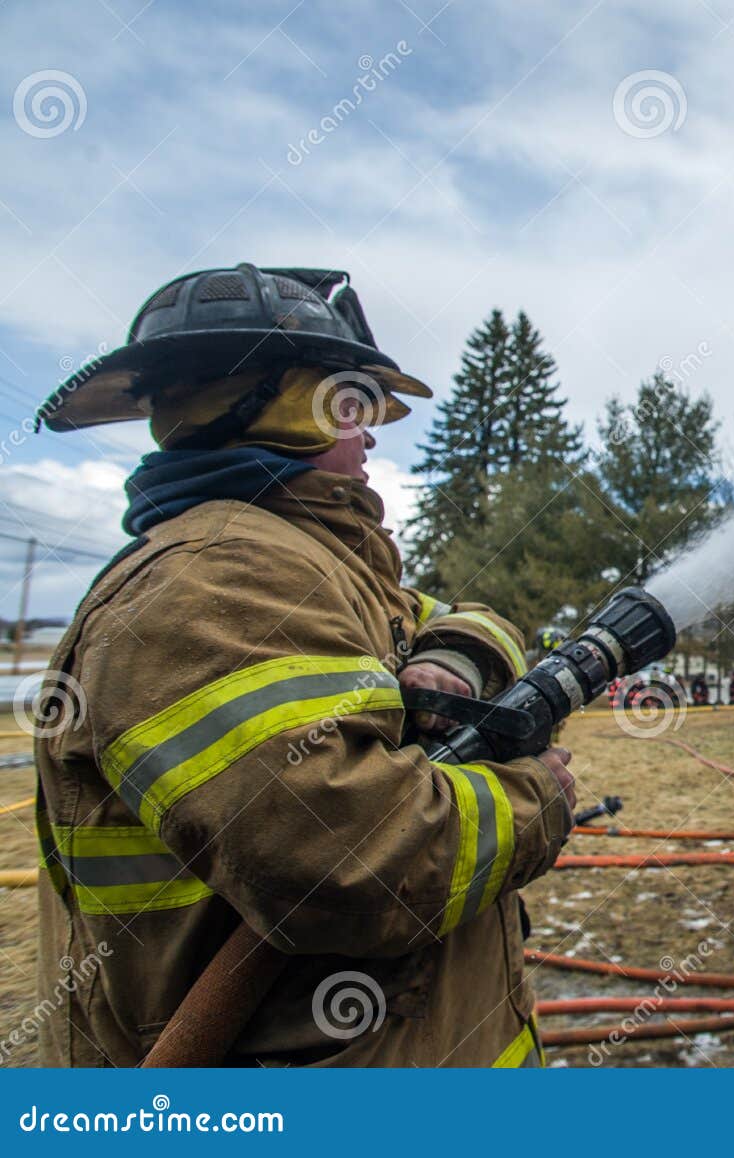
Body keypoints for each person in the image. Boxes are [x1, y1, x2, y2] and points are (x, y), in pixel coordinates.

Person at [31, 264, 575, 1067]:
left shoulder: (326, 564)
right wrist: (541, 800)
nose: (371, 433)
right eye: (352, 404)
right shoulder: (208, 581)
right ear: (281, 411)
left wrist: (454, 659)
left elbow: (469, 617)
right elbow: (352, 864)